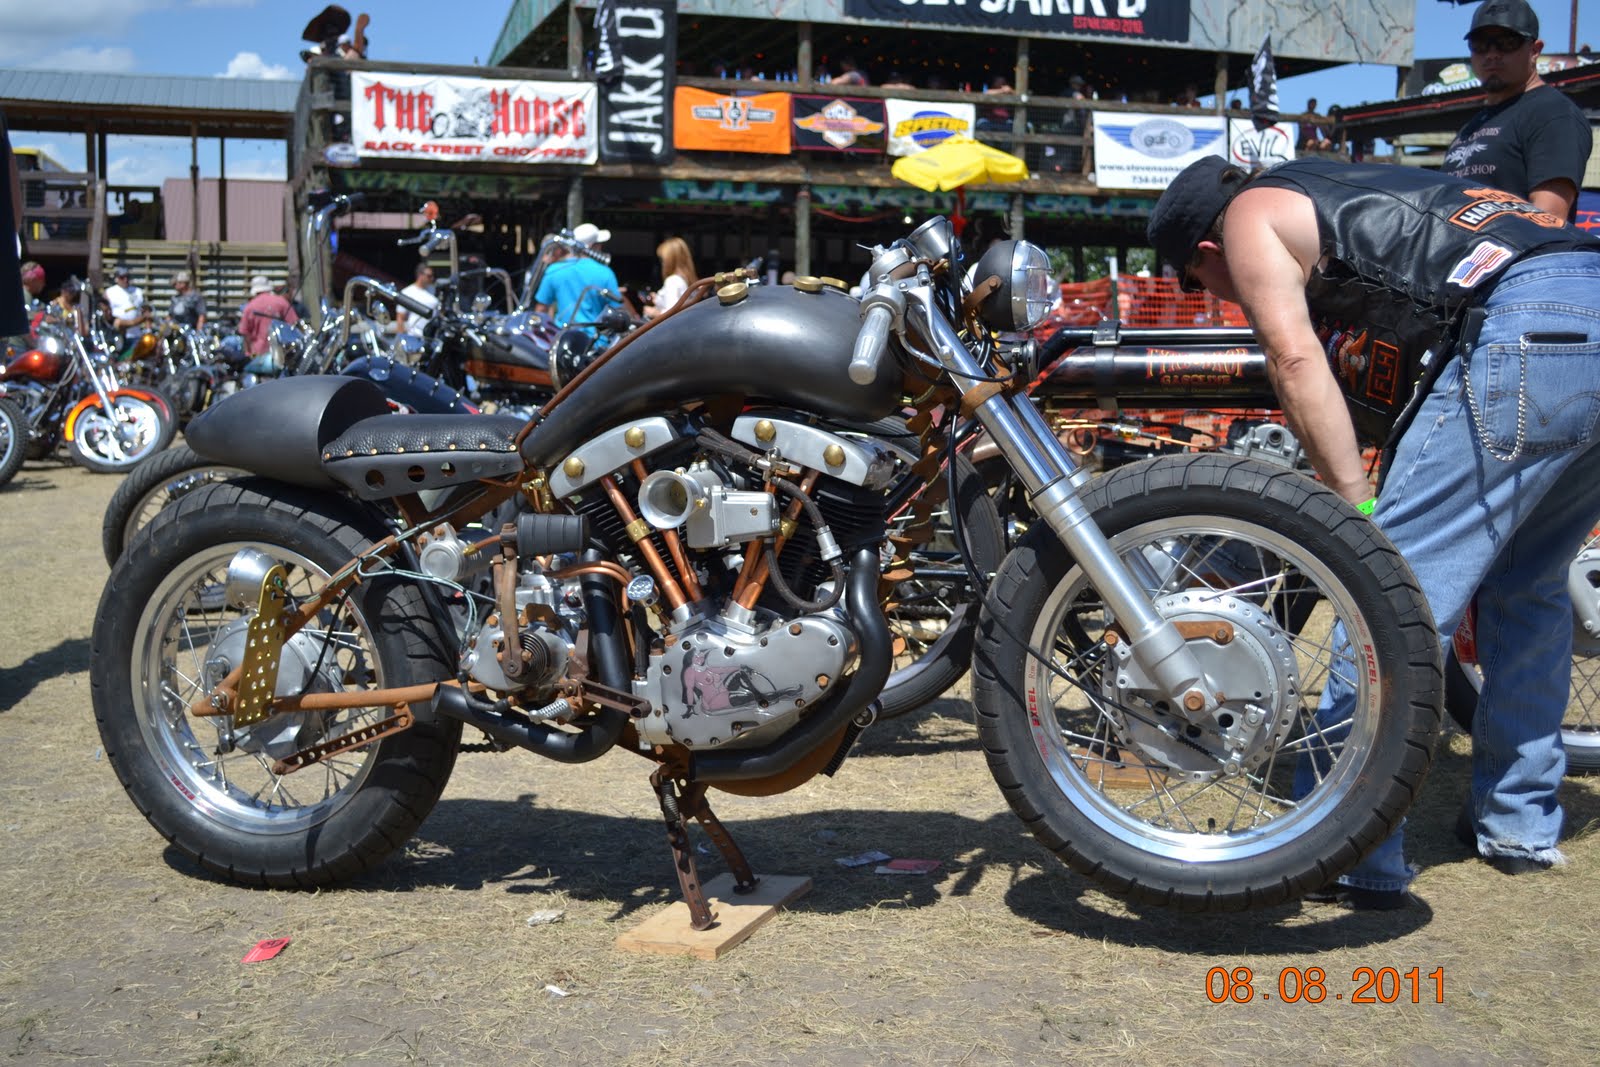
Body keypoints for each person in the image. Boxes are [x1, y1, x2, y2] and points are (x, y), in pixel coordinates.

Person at [1148, 155, 1600, 908]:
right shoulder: (1333, 178)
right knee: (1529, 588)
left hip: (1525, 321)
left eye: (1201, 285)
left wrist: (1356, 511)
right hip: (1585, 290)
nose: (1221, 298)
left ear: (1205, 252)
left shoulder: (1250, 218)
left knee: (1383, 596)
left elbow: (1293, 359)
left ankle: (1348, 847)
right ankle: (1518, 821)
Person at [1443, 0, 1592, 221]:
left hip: (1512, 255)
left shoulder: (1553, 113)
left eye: (1506, 42)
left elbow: (1548, 218)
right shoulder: (1471, 126)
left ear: (1535, 50)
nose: (1492, 54)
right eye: (1480, 45)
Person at [535, 223, 622, 329]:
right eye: (599, 244)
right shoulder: (605, 272)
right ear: (594, 246)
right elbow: (617, 311)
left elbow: (541, 310)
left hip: (561, 338)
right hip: (596, 342)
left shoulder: (554, 270)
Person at [239, 274, 297, 356]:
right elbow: (294, 324)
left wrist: (248, 353)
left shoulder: (249, 307)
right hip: (282, 353)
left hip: (259, 353)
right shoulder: (281, 302)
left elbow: (245, 333)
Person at [645, 237, 697, 319]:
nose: (662, 264)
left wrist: (653, 312)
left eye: (662, 260)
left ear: (669, 260)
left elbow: (671, 314)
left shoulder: (672, 281)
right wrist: (658, 298)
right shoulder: (686, 279)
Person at [103, 265, 151, 347]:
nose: (125, 280)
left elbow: (146, 312)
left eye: (127, 277)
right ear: (117, 278)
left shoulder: (138, 291)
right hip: (118, 336)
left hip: (136, 335)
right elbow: (106, 315)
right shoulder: (109, 292)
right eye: (122, 277)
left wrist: (148, 330)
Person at [395, 262, 437, 337]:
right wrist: (401, 338)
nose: (432, 278)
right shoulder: (407, 292)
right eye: (429, 276)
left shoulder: (434, 289)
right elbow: (400, 317)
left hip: (433, 336)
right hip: (416, 336)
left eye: (433, 276)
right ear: (420, 275)